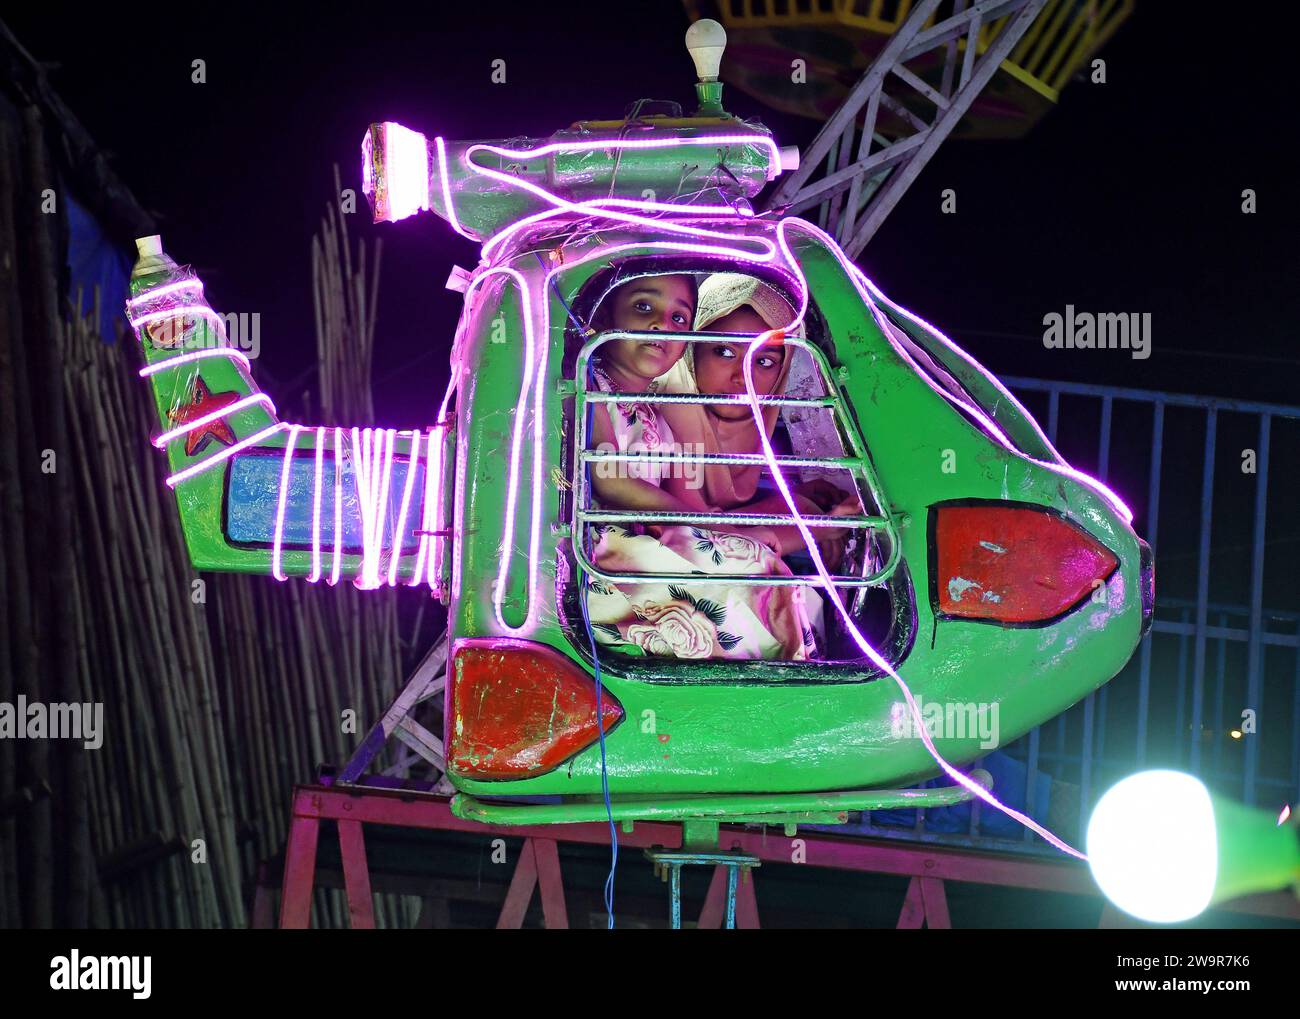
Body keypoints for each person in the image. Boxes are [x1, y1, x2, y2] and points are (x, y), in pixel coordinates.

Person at [583, 272, 820, 660]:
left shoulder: (658, 416)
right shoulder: (592, 387)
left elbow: (690, 501)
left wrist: (717, 529)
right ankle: (773, 660)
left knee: (758, 565)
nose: (661, 324)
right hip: (610, 550)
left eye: (679, 319)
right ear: (605, 316)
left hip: (652, 539)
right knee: (739, 561)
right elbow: (609, 481)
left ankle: (791, 663)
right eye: (644, 307)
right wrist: (705, 527)